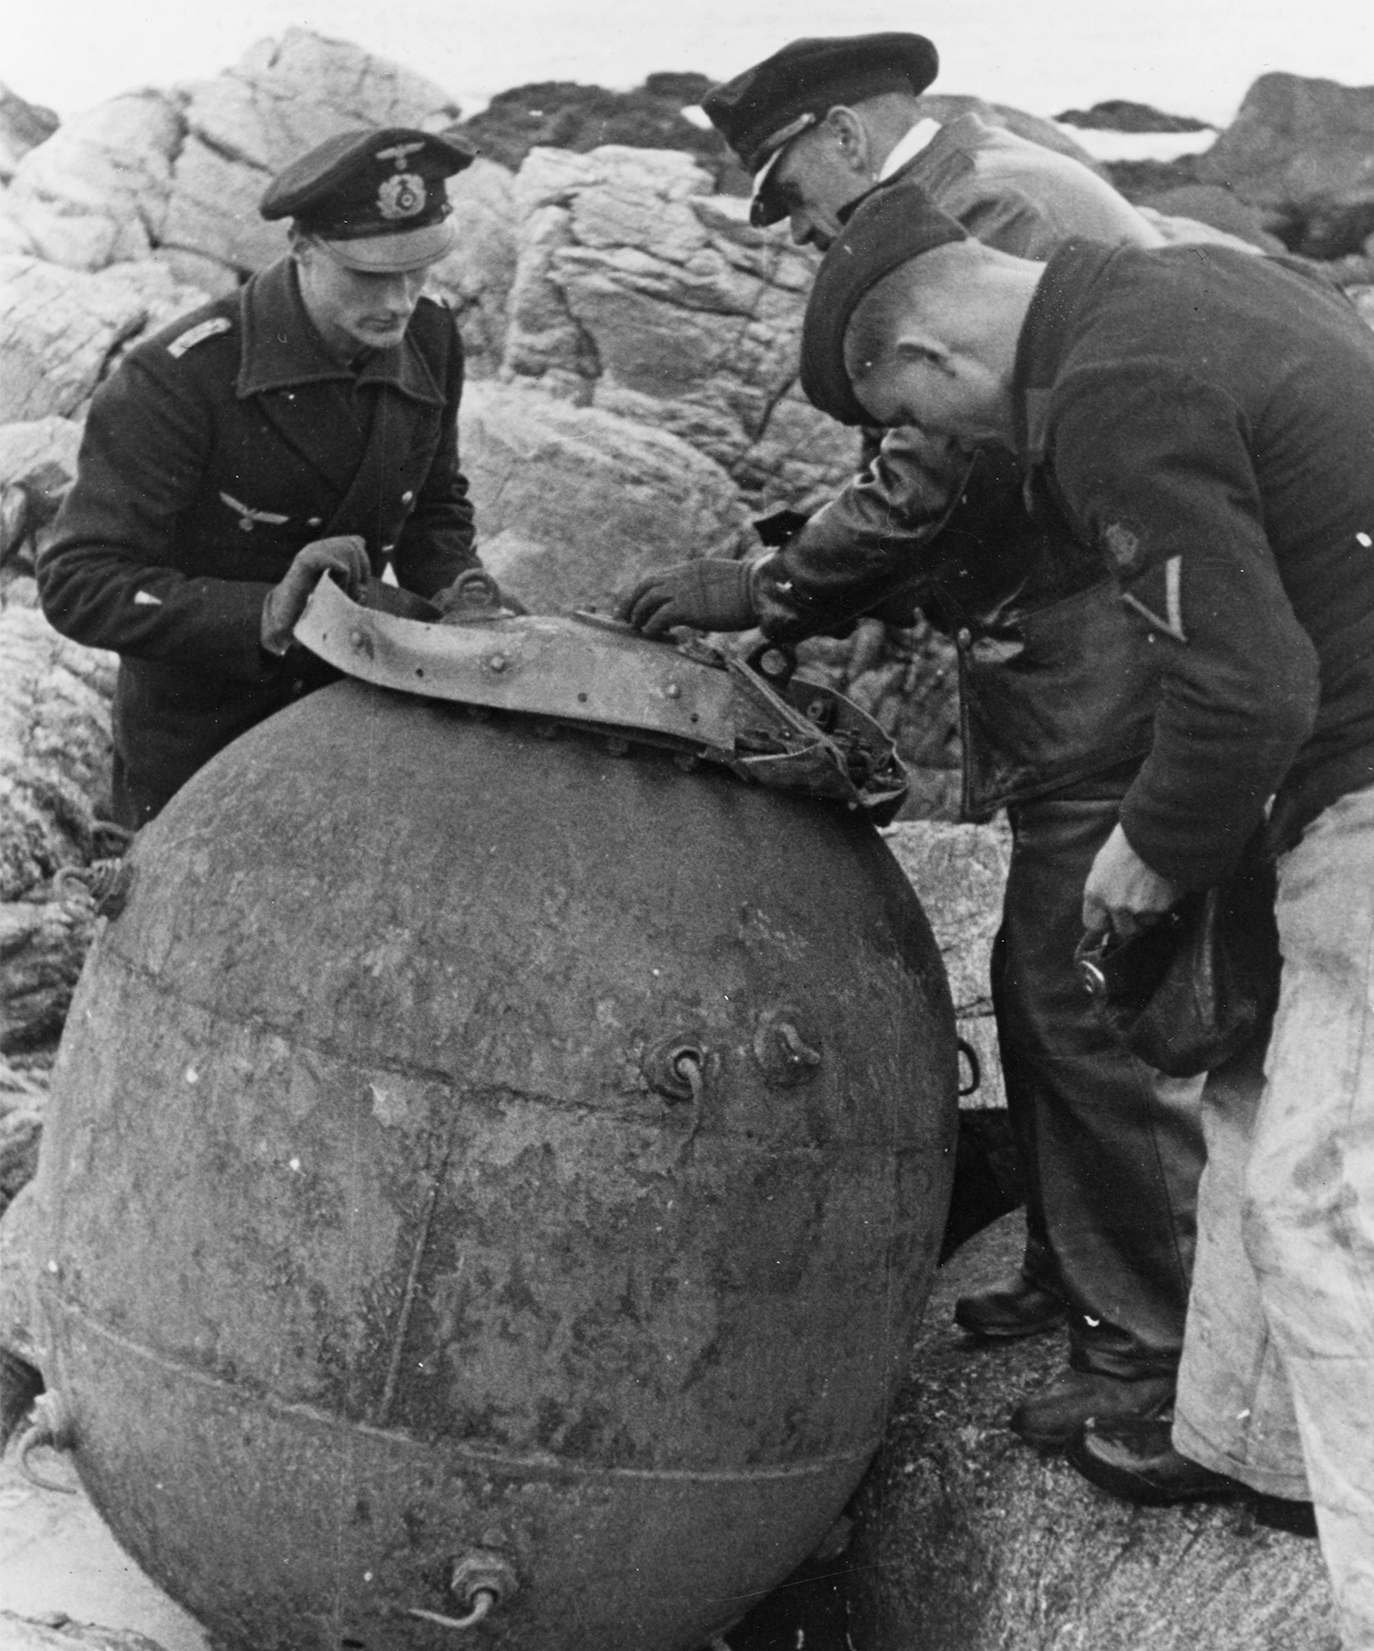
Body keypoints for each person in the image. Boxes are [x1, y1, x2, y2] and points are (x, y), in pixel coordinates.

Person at [798, 174, 1374, 1651]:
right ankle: (1243, 1452)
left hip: (1349, 786)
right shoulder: (1201, 281)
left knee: (1324, 1222)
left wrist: (1138, 861)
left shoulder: (1106, 390)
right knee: (1258, 1114)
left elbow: (1243, 682)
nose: (926, 432)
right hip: (1328, 769)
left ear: (911, 353)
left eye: (898, 405)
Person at [619, 34, 1209, 1451]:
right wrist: (844, 580)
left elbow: (934, 470)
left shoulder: (983, 213)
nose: (806, 231)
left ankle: (1157, 1348)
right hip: (1095, 649)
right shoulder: (1005, 175)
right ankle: (1081, 1273)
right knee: (1035, 971)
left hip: (1105, 666)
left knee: (1085, 997)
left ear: (833, 136)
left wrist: (772, 591)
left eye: (789, 191)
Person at [39, 126, 504, 830]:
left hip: (347, 718)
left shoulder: (429, 338)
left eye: (418, 271)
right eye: (371, 275)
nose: (402, 299)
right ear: (303, 252)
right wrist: (262, 611)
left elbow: (434, 506)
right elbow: (77, 582)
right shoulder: (180, 377)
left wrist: (459, 589)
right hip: (196, 747)